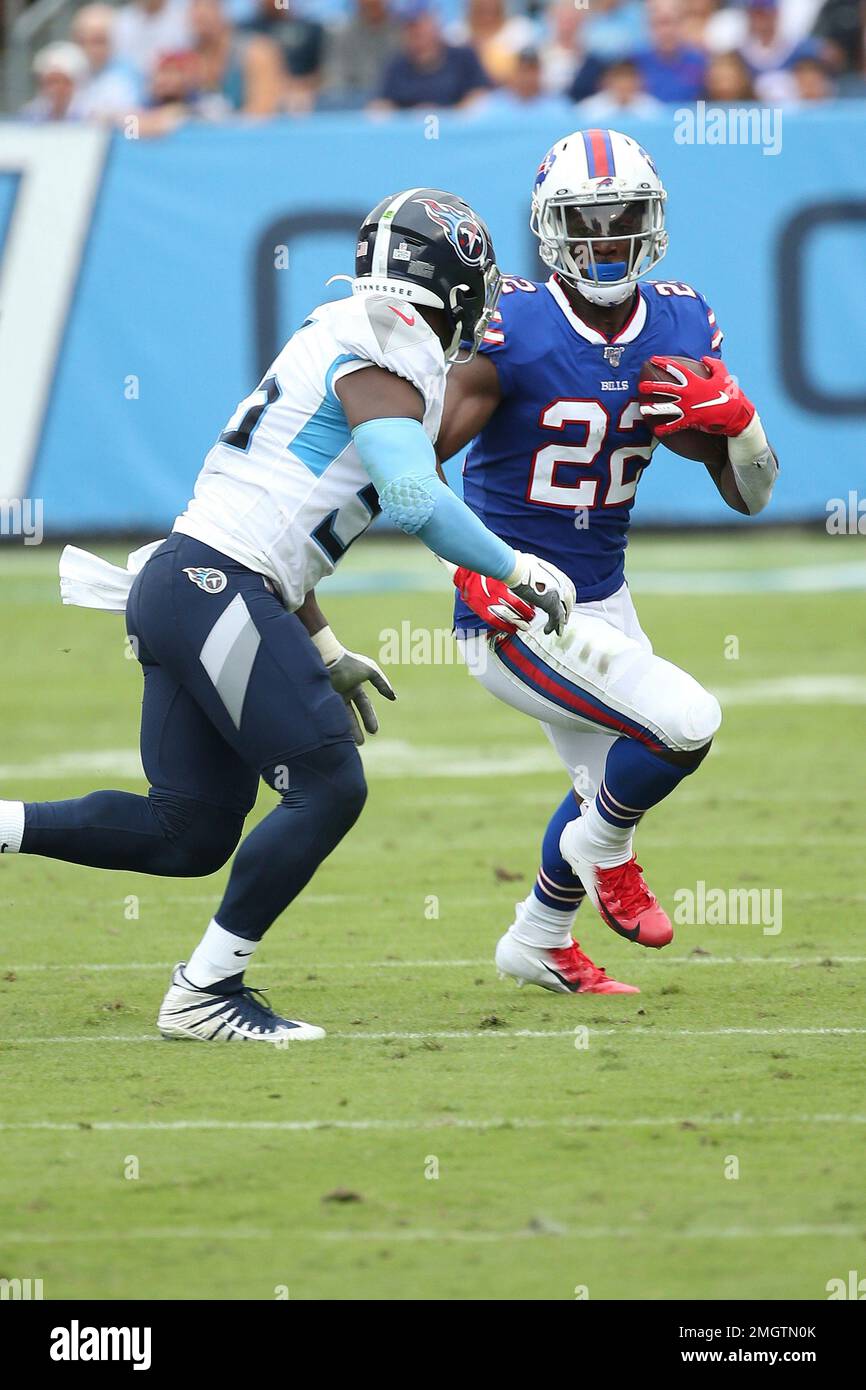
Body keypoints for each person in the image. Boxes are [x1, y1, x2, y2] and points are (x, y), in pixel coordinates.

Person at [0, 190, 574, 1044]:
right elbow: (416, 499)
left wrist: (326, 646)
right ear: (446, 280)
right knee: (330, 783)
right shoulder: (390, 346)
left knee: (187, 831)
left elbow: (288, 526)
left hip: (197, 580)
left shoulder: (355, 332)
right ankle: (205, 990)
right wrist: (517, 565)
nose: (484, 306)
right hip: (211, 581)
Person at [436, 129, 778, 997]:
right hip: (516, 607)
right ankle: (602, 849)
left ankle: (540, 936)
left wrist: (739, 424)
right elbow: (407, 462)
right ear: (551, 228)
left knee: (610, 776)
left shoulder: (679, 317)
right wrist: (467, 560)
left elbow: (751, 495)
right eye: (587, 219)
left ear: (653, 223)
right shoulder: (510, 327)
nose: (607, 237)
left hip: (605, 597)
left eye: (625, 217)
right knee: (685, 721)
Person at [374, 0, 491, 111]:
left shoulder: (463, 57)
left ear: (434, 20)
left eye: (418, 23)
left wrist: (444, 116)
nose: (413, 30)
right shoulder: (396, 67)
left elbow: (480, 95)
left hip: (457, 130)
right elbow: (383, 105)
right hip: (413, 131)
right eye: (407, 25)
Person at [188, 0, 283, 116]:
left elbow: (263, 111)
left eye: (210, 6)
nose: (202, 13)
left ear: (225, 11)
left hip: (246, 132)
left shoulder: (257, 52)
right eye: (196, 6)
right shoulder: (187, 56)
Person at [322, 0, 401, 106]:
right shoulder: (343, 34)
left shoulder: (402, 32)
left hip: (396, 104)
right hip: (354, 104)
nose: (371, 3)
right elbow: (336, 79)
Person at [71, 4, 143, 121]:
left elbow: (132, 124)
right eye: (83, 41)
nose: (91, 49)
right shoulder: (71, 71)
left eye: (99, 41)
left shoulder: (129, 74)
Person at [635, 0, 708, 101]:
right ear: (649, 27)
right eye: (659, 24)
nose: (666, 31)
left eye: (671, 23)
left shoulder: (699, 61)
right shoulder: (636, 62)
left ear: (682, 24)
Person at [576, 56, 665, 118]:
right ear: (608, 80)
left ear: (638, 81)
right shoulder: (589, 108)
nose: (623, 84)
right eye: (619, 77)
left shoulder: (652, 108)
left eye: (628, 78)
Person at [19, 42, 88, 121]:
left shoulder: (90, 115)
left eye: (63, 82)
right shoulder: (30, 114)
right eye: (51, 82)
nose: (56, 88)